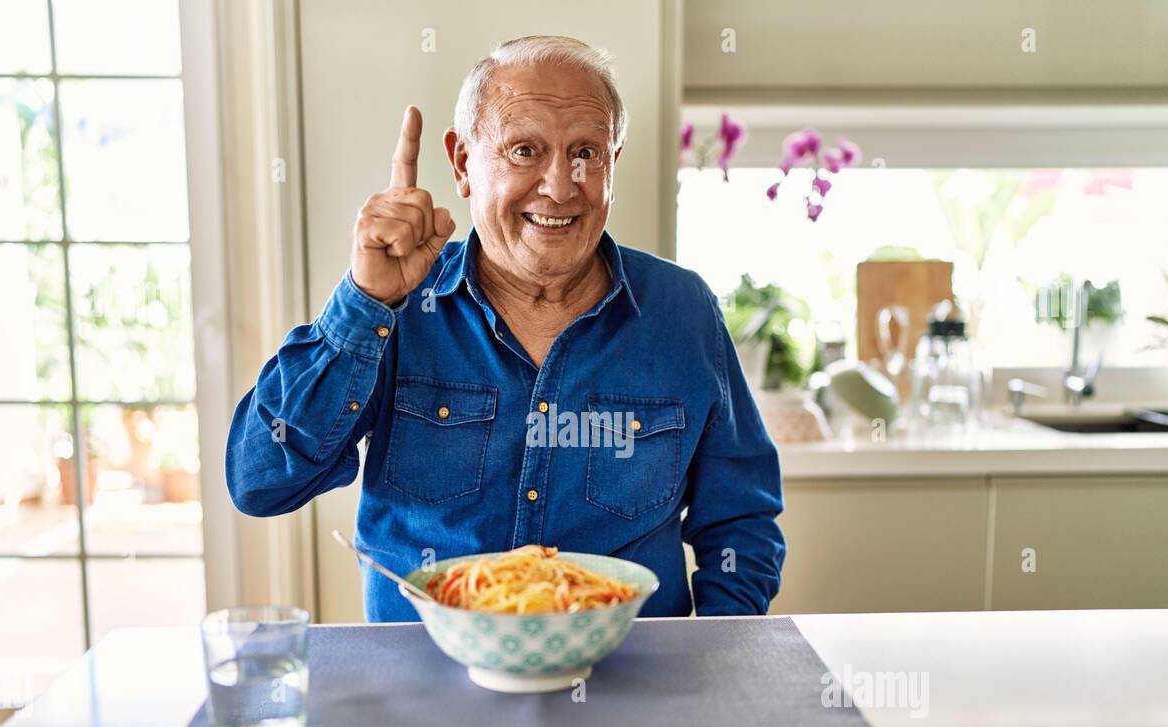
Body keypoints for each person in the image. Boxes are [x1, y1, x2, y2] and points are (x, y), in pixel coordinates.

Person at [227, 35, 785, 622]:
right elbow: (259, 481)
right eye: (524, 150)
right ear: (463, 163)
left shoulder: (684, 310)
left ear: (613, 162)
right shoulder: (393, 308)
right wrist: (363, 304)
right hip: (430, 689)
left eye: (586, 154)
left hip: (629, 686)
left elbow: (741, 520)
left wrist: (719, 647)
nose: (560, 186)